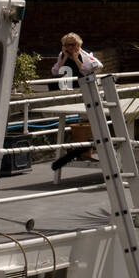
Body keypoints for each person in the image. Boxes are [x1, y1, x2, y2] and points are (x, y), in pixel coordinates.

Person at [50, 33, 102, 174]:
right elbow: (55, 71)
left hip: (83, 91)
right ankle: (76, 152)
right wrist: (65, 57)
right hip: (68, 90)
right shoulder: (62, 55)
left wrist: (75, 58)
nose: (70, 47)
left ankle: (86, 151)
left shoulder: (85, 56)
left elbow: (87, 69)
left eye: (73, 45)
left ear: (78, 45)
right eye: (67, 45)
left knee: (87, 119)